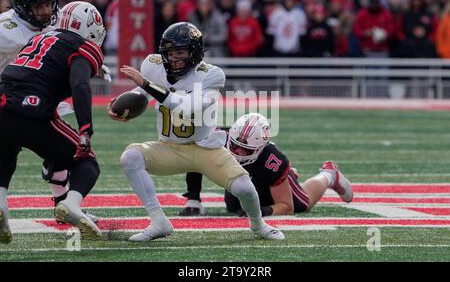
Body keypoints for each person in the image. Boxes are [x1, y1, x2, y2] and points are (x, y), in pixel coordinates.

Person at [107, 22, 285, 242]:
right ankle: (158, 221)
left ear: (195, 52)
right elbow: (142, 94)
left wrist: (145, 85)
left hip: (206, 148)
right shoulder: (153, 67)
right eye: (170, 53)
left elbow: (187, 106)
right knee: (130, 157)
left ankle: (258, 225)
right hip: (169, 147)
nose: (174, 58)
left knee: (245, 188)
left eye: (180, 52)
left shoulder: (211, 75)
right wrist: (123, 106)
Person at [0, 0, 107, 244]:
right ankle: (71, 204)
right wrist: (85, 129)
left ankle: (0, 204)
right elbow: (79, 85)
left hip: (2, 104)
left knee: (5, 154)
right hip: (33, 110)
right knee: (86, 161)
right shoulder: (82, 45)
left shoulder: (39, 38)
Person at [180, 113, 353, 216]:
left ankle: (329, 175)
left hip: (264, 177)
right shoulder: (217, 138)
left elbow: (287, 206)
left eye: (245, 149)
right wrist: (193, 199)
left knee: (302, 203)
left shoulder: (271, 160)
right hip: (245, 177)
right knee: (233, 207)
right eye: (235, 146)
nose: (238, 153)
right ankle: (287, 177)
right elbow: (195, 159)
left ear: (259, 148)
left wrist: (264, 211)